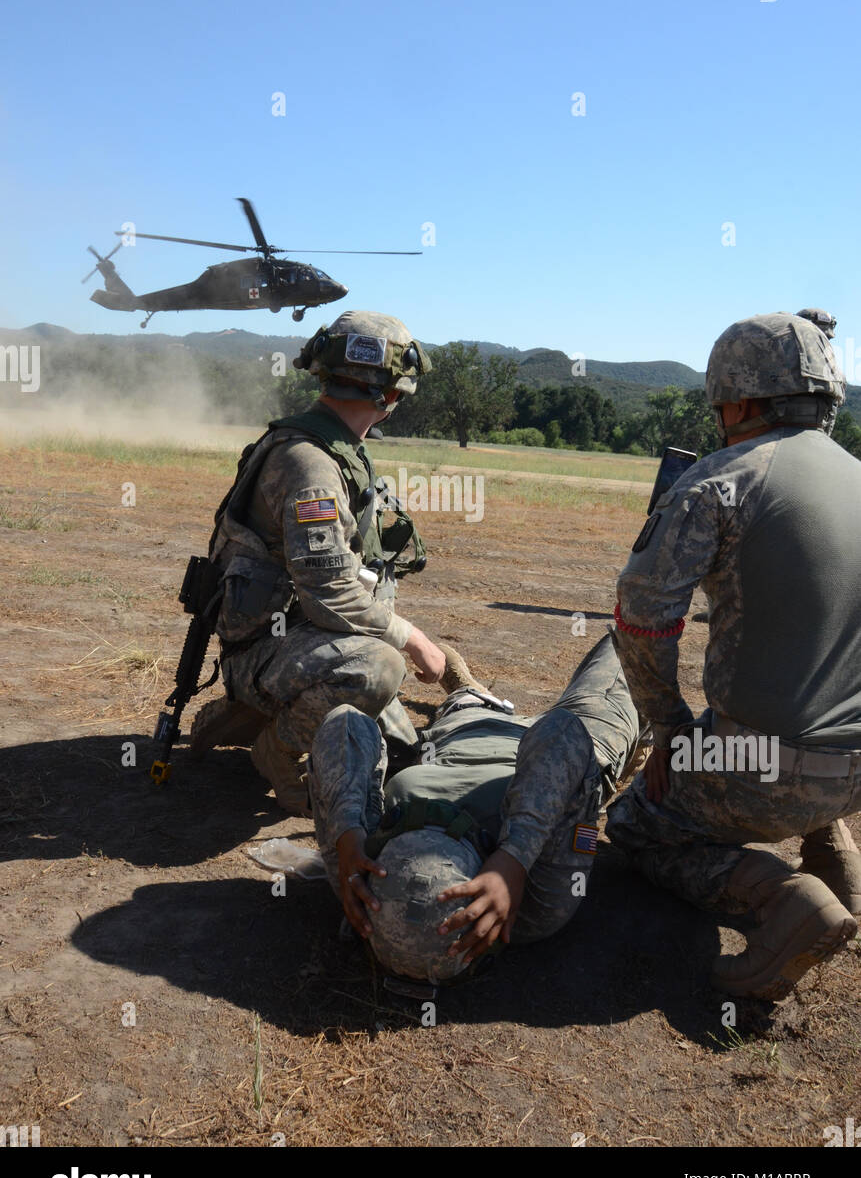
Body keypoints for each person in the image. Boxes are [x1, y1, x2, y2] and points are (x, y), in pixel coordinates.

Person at [606, 311, 861, 1001]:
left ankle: (786, 902)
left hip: (758, 771)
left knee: (634, 826)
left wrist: (668, 731)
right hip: (854, 770)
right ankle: (829, 839)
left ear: (740, 401)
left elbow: (643, 623)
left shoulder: (721, 480)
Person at [188, 310, 448, 813]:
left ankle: (256, 715)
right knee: (377, 670)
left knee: (404, 761)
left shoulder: (333, 446)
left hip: (302, 636)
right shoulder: (311, 464)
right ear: (390, 395)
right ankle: (276, 748)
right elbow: (330, 594)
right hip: (267, 649)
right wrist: (416, 642)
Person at [307, 633, 644, 986]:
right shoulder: (539, 907)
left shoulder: (359, 874)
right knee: (631, 639)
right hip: (575, 750)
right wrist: (515, 858)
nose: (432, 826)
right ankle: (645, 740)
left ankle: (468, 692)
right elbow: (562, 734)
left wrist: (346, 831)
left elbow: (346, 722)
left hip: (460, 734)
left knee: (456, 702)